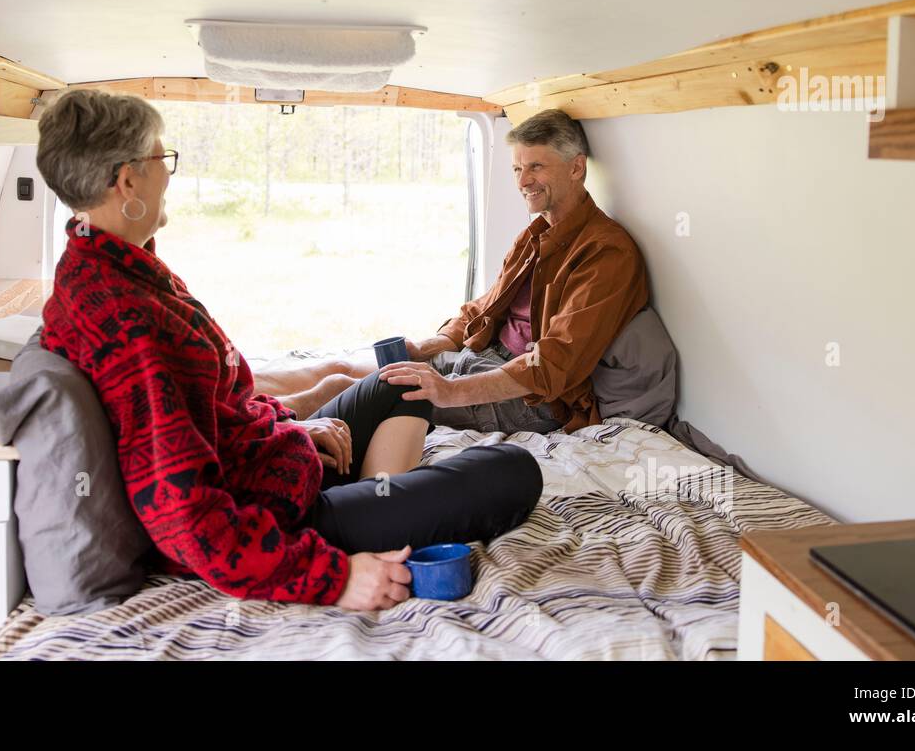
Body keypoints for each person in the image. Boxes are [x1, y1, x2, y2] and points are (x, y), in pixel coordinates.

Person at [35, 89, 542, 611]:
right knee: (511, 471)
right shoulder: (125, 317)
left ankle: (377, 511)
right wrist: (332, 577)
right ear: (127, 181)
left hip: (276, 467)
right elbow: (180, 513)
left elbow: (220, 410)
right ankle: (369, 524)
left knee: (400, 381)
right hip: (271, 519)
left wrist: (289, 427)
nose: (168, 173)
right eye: (163, 158)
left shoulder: (121, 267)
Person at [380, 109, 649, 434]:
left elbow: (553, 363)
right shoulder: (533, 236)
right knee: (346, 374)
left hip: (531, 398)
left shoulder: (607, 252)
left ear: (576, 168)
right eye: (518, 169)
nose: (522, 182)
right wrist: (426, 348)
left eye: (536, 167)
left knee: (379, 404)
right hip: (482, 357)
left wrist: (449, 391)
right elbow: (483, 309)